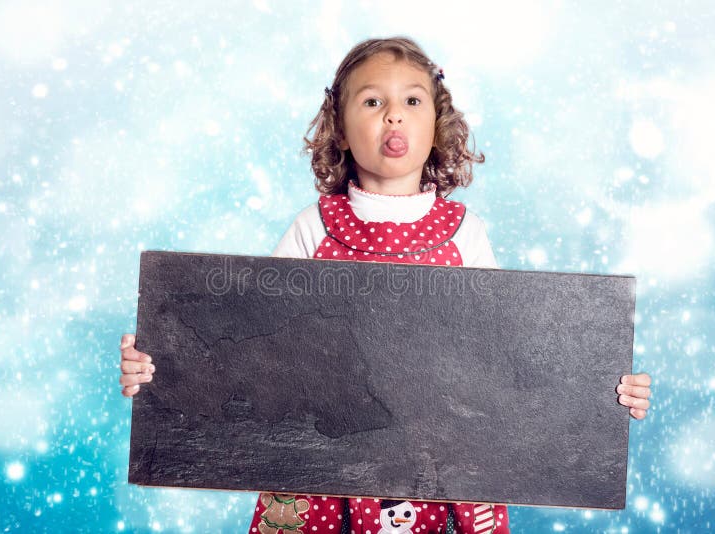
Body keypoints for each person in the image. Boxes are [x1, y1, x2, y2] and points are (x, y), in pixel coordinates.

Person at [119, 37, 652, 534]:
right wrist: (161, 368)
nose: (394, 114)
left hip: (441, 474)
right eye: (372, 102)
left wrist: (601, 389)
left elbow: (509, 348)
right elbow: (252, 335)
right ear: (341, 129)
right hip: (323, 469)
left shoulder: (465, 233)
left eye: (413, 101)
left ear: (438, 125)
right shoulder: (313, 226)